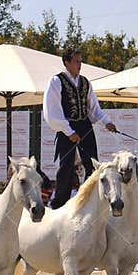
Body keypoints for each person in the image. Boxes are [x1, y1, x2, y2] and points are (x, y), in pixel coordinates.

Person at [43, 48, 117, 209]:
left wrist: (106, 122)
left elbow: (93, 108)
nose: (79, 64)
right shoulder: (56, 81)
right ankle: (60, 203)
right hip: (66, 127)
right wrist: (69, 132)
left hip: (85, 125)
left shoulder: (85, 82)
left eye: (80, 61)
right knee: (66, 166)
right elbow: (52, 110)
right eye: (76, 61)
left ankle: (90, 200)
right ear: (66, 62)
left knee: (92, 163)